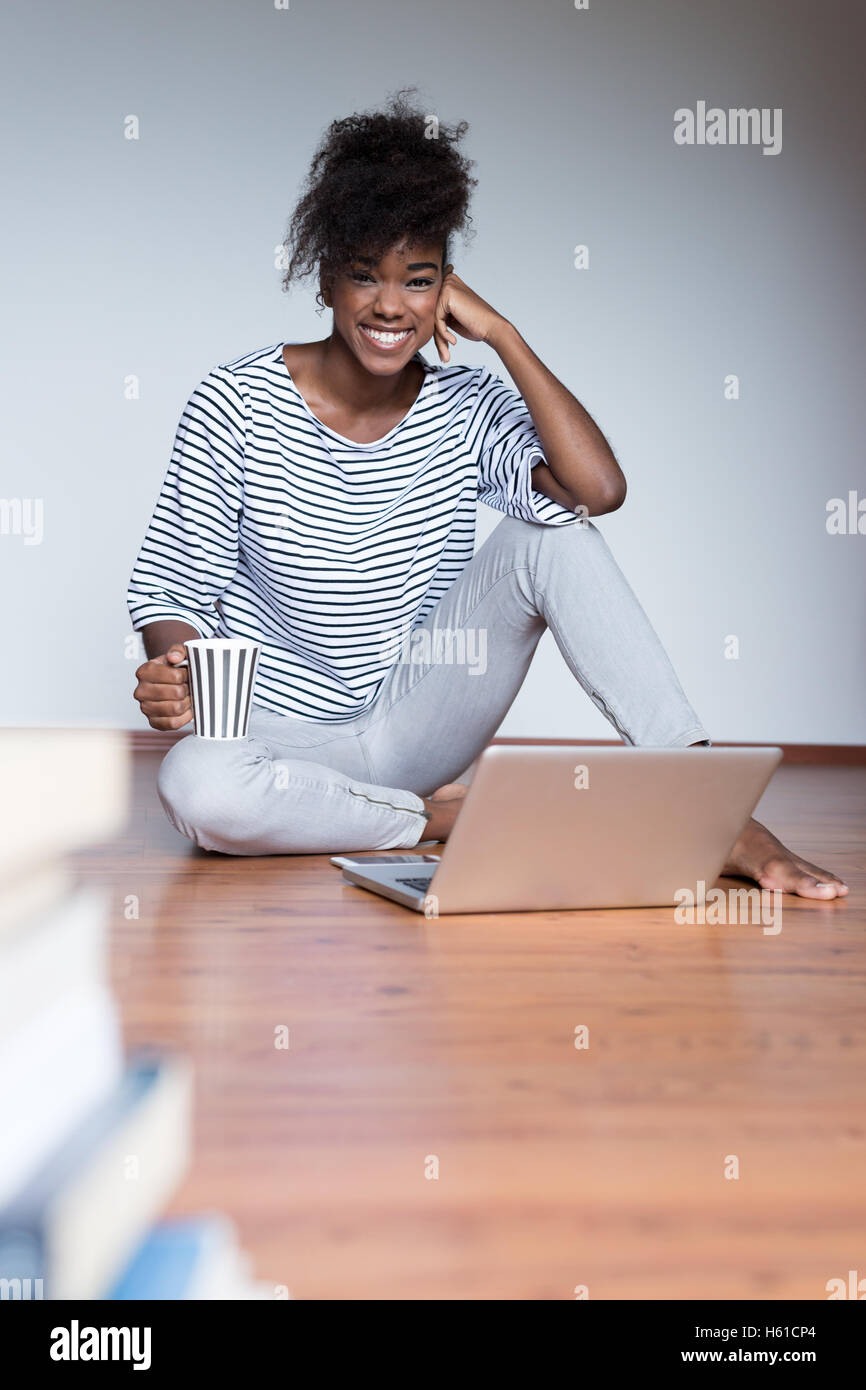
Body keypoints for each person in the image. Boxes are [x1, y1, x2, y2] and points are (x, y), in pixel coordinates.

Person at [128, 90, 846, 900]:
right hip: (273, 739)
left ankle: (714, 810)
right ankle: (443, 820)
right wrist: (172, 665)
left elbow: (596, 490)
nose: (391, 305)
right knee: (198, 787)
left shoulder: (467, 407)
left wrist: (503, 334)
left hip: (416, 723)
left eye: (418, 280)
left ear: (445, 291)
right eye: (366, 275)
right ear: (326, 276)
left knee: (554, 535)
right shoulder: (235, 401)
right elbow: (171, 586)